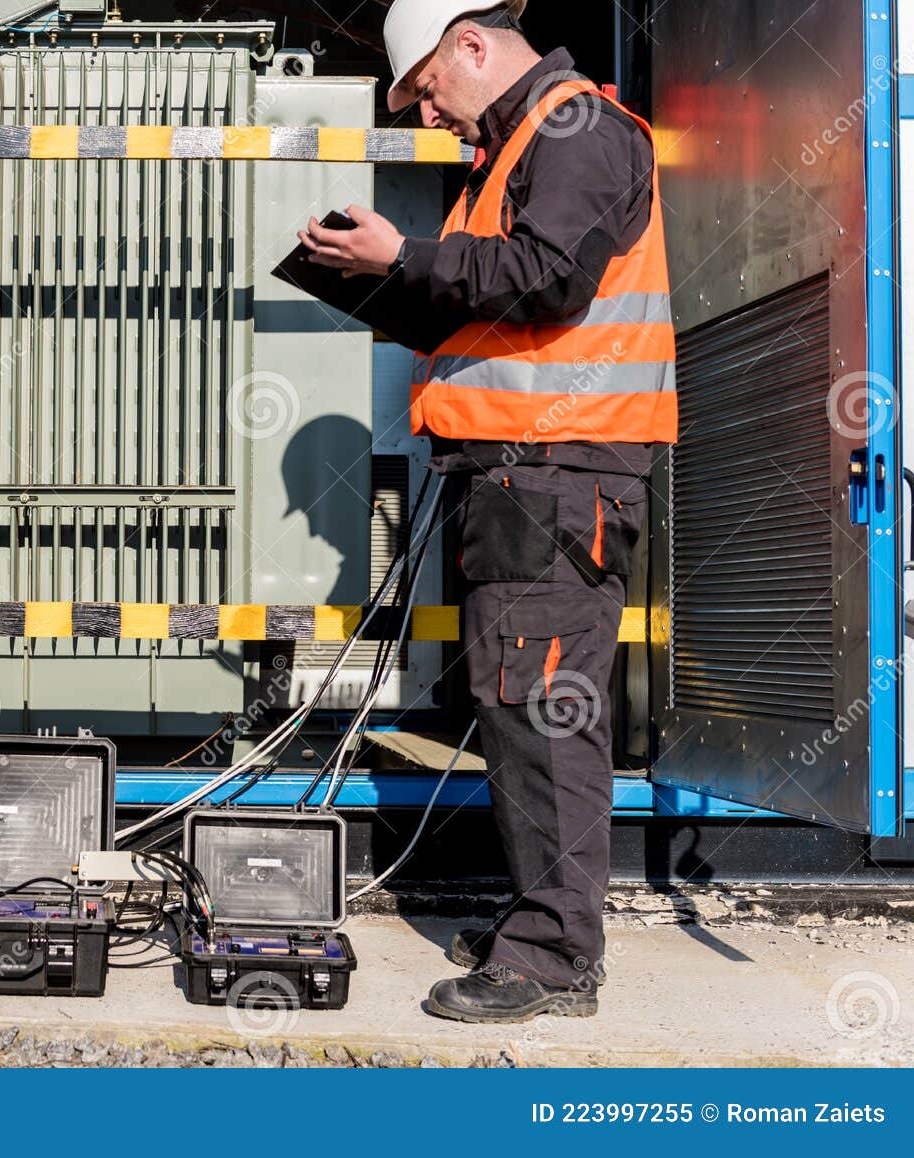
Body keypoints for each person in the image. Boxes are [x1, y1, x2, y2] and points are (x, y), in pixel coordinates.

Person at [298, 0, 677, 1023]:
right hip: (522, 476)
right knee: (519, 707)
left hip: (557, 473)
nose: (429, 117)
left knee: (544, 713)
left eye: (427, 89)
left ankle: (552, 961)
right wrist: (387, 285)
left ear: (471, 46)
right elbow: (501, 301)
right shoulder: (517, 150)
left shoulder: (575, 129)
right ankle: (541, 926)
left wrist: (403, 260)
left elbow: (549, 280)